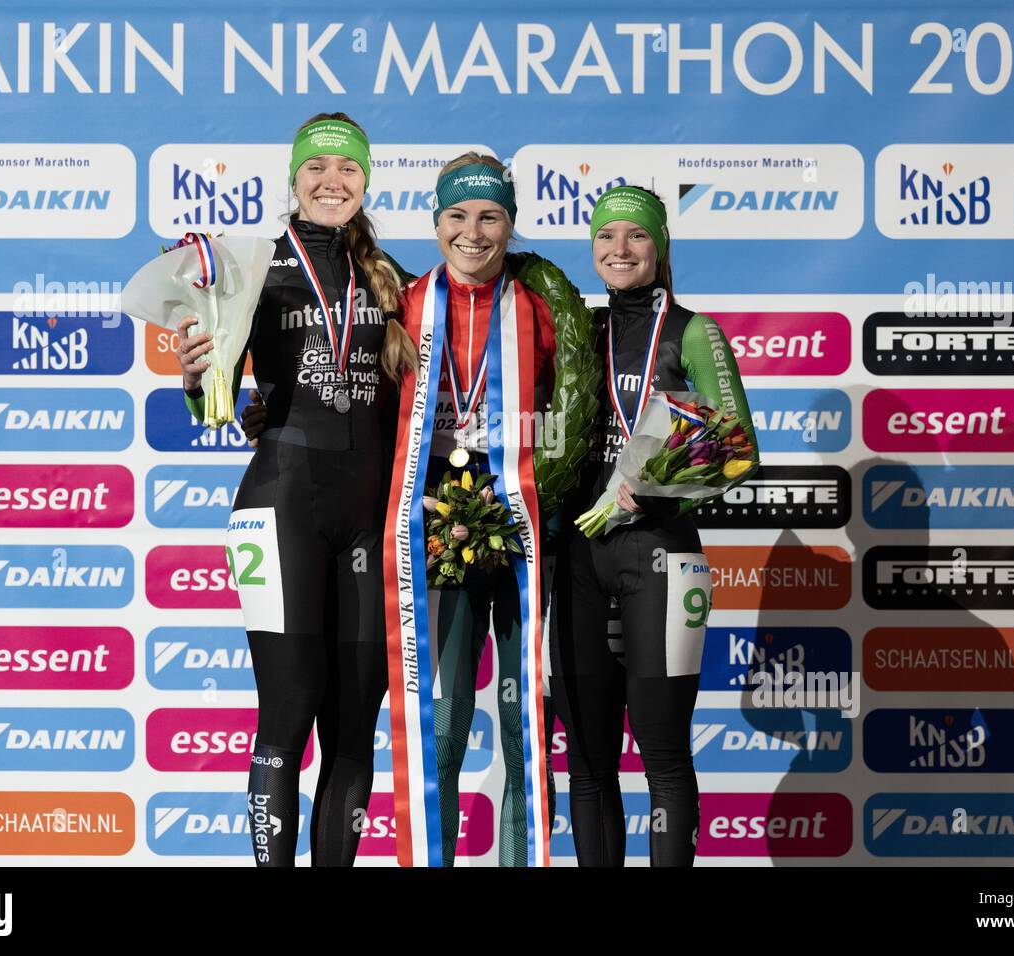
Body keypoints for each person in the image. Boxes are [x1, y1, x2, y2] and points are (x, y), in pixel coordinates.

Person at [173, 112, 416, 867]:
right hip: (279, 506)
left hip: (370, 520)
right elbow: (209, 389)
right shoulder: (249, 266)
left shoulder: (396, 280)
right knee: (289, 704)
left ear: (365, 180)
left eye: (347, 169)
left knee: (354, 717)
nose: (331, 181)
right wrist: (194, 372)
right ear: (295, 177)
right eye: (317, 168)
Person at [549, 185, 760, 866]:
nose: (619, 249)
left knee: (663, 752)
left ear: (660, 246)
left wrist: (651, 498)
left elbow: (738, 451)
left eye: (635, 236)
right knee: (587, 758)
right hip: (579, 560)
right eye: (606, 236)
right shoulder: (582, 331)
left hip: (662, 555)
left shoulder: (693, 331)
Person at [383, 153, 557, 867]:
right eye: (458, 215)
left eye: (489, 217)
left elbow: (567, 421)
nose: (473, 232)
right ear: (436, 221)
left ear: (509, 225)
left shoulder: (541, 310)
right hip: (433, 531)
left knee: (523, 727)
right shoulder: (405, 305)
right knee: (443, 728)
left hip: (517, 528)